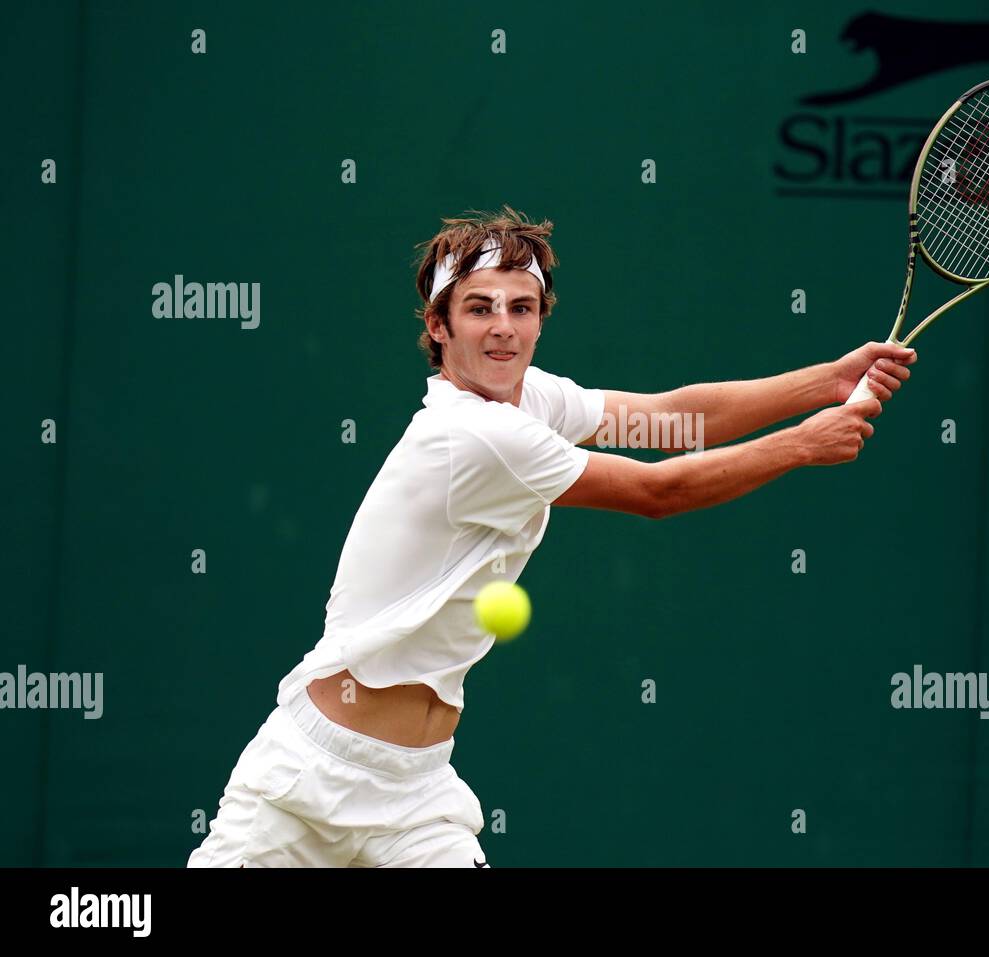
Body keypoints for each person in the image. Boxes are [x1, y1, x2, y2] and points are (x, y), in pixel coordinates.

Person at [187, 206, 916, 867]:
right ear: (439, 327)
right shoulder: (471, 434)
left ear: (538, 321)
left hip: (414, 793)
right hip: (306, 785)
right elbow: (657, 493)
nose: (502, 325)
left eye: (521, 307)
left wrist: (826, 380)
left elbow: (670, 420)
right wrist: (801, 445)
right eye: (479, 309)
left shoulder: (530, 396)